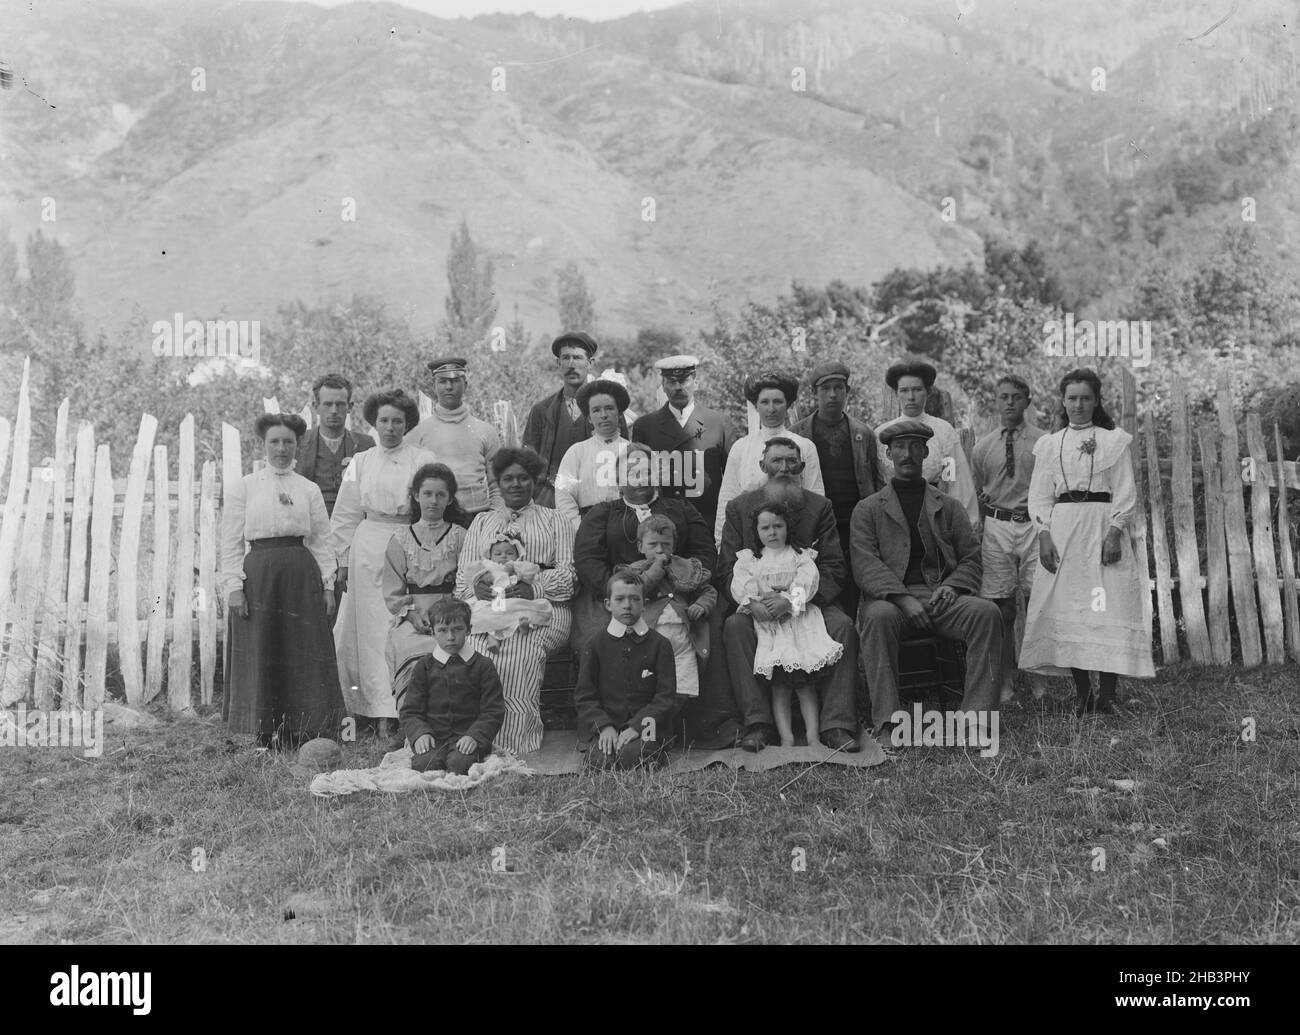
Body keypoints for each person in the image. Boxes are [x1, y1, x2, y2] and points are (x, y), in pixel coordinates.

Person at [573, 441, 738, 748]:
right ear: (619, 476)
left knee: (708, 625)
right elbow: (588, 560)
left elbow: (704, 552)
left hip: (679, 593)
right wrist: (620, 591)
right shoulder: (603, 513)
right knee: (599, 634)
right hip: (618, 595)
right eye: (631, 469)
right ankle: (617, 724)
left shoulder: (680, 509)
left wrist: (684, 581)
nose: (639, 475)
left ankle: (703, 724)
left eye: (646, 469)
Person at [852, 420, 1002, 748]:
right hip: (893, 603)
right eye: (900, 448)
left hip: (941, 599)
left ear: (925, 452)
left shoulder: (948, 506)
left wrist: (954, 586)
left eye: (914, 447)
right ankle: (890, 724)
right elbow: (865, 565)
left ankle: (974, 721)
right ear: (889, 454)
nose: (907, 454)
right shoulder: (867, 509)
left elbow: (971, 558)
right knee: (876, 617)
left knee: (986, 613)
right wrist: (903, 599)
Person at [1020, 368, 1155, 713]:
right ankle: (1083, 695)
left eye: (1085, 398)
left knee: (1108, 605)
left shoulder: (1113, 441)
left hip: (1101, 528)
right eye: (1072, 398)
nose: (1078, 404)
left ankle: (1108, 696)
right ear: (1063, 402)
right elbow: (1038, 497)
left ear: (1096, 401)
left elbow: (1125, 491)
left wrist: (1115, 532)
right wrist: (1044, 534)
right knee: (1072, 607)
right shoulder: (1050, 445)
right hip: (1063, 533)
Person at [717, 436, 860, 753]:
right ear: (762, 465)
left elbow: (835, 568)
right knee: (734, 627)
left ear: (802, 467)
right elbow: (727, 568)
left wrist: (793, 601)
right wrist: (753, 603)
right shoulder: (739, 507)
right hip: (757, 604)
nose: (783, 468)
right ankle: (758, 723)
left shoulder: (819, 507)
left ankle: (836, 723)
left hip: (810, 601)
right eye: (776, 461)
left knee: (843, 626)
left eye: (791, 461)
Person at [221, 413, 343, 746]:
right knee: (263, 647)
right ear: (263, 445)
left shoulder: (308, 489)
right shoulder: (244, 487)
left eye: (288, 442)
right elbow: (230, 541)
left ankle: (300, 728)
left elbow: (321, 540)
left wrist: (328, 586)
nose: (281, 448)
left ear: (297, 445)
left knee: (300, 648)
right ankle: (263, 730)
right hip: (259, 574)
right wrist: (234, 586)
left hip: (300, 574)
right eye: (274, 441)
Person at [328, 389, 437, 749]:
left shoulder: (422, 457)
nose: (390, 427)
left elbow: (433, 502)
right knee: (368, 631)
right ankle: (374, 713)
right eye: (384, 421)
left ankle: (402, 712)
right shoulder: (360, 461)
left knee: (399, 625)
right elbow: (344, 513)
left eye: (397, 421)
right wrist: (342, 561)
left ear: (408, 424)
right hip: (367, 547)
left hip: (407, 541)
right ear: (373, 424)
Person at [455, 446, 575, 755]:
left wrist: (533, 589)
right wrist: (476, 589)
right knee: (475, 648)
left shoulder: (555, 520)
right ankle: (473, 739)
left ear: (535, 481)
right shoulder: (482, 522)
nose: (516, 485)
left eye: (524, 478)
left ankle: (512, 743)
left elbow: (569, 577)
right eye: (508, 478)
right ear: (498, 482)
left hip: (543, 609)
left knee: (520, 649)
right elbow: (462, 581)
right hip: (489, 607)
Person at [730, 501, 844, 748]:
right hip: (770, 626)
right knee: (779, 686)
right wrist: (754, 603)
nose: (772, 533)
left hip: (798, 622)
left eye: (778, 526)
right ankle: (786, 738)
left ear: (787, 528)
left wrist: (788, 601)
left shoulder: (801, 556)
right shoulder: (750, 559)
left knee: (805, 684)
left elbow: (809, 583)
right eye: (766, 528)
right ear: (757, 532)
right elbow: (741, 585)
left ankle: (813, 736)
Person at [970, 375, 1045, 703]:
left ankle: (1040, 680)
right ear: (996, 402)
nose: (1010, 402)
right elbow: (979, 489)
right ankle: (1004, 681)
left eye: (1017, 396)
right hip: (998, 526)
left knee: (1039, 603)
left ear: (1028, 400)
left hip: (1034, 526)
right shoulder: (983, 446)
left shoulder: (1044, 443)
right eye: (1004, 397)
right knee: (1001, 608)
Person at [790, 360, 883, 617]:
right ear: (815, 393)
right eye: (826, 389)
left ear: (847, 392)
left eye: (839, 388)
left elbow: (873, 481)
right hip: (815, 526)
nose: (833, 395)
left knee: (856, 584)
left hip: (855, 525)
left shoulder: (863, 433)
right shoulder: (798, 434)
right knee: (816, 585)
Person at [382, 463, 468, 711]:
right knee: (413, 653)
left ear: (450, 499)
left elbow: (465, 583)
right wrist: (409, 615)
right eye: (427, 494)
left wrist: (452, 615)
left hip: (452, 614)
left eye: (441, 495)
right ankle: (415, 728)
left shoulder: (460, 536)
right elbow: (392, 591)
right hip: (414, 618)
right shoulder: (401, 539)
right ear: (416, 496)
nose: (433, 501)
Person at [574, 570, 676, 770]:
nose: (627, 605)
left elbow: (665, 697)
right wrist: (604, 726)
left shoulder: (660, 644)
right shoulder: (595, 644)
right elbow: (584, 696)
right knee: (600, 762)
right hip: (607, 725)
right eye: (619, 599)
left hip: (646, 726)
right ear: (608, 604)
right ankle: (605, 742)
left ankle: (646, 750)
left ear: (645, 604)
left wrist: (637, 726)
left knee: (632, 758)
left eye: (634, 599)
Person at [714, 371, 824, 546]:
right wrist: (722, 544)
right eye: (765, 402)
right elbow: (727, 499)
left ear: (787, 405)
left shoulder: (805, 446)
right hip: (749, 540)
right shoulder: (741, 448)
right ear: (756, 406)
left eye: (778, 402)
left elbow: (816, 496)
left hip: (796, 538)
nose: (771, 409)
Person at [400, 598, 506, 775]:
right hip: (434, 737)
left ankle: (465, 756)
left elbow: (493, 710)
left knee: (459, 765)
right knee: (426, 764)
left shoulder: (483, 665)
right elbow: (410, 711)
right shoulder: (424, 666)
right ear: (432, 632)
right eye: (442, 631)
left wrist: (474, 736)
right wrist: (420, 734)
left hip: (468, 737)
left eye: (457, 629)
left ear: (469, 630)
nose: (450, 637)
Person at [632, 354, 736, 533]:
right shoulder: (645, 426)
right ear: (663, 386)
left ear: (696, 382)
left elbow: (732, 479)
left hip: (708, 522)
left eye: (684, 381)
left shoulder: (719, 423)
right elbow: (639, 479)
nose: (678, 387)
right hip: (662, 525)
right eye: (671, 382)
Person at [522, 332, 628, 507]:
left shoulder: (610, 409)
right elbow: (528, 461)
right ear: (558, 363)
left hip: (598, 500)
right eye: (566, 358)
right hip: (551, 500)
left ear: (590, 363)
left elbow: (624, 457)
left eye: (578, 358)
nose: (571, 365)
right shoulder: (541, 411)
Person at [876, 360, 979, 528]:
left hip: (933, 515)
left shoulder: (943, 432)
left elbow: (953, 480)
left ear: (927, 392)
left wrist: (963, 525)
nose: (911, 397)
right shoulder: (882, 434)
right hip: (891, 517)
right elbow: (876, 482)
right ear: (896, 394)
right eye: (904, 390)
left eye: (917, 389)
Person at [623, 515, 716, 699]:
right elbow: (634, 593)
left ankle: (678, 720)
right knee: (650, 686)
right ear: (641, 547)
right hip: (650, 635)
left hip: (684, 635)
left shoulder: (687, 566)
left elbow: (708, 591)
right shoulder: (634, 570)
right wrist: (656, 570)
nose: (660, 549)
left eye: (665, 544)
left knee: (683, 685)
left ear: (673, 545)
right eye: (653, 544)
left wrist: (701, 604)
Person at [406, 357, 502, 526]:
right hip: (435, 518)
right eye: (443, 381)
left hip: (478, 517)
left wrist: (495, 518)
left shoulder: (486, 431)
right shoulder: (417, 433)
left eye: (455, 381)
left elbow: (497, 483)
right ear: (433, 386)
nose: (449, 387)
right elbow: (409, 485)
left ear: (466, 384)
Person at [554, 378, 631, 533]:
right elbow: (564, 497)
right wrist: (581, 529)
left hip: (627, 527)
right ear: (589, 417)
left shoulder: (634, 451)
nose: (603, 415)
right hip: (588, 527)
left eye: (609, 408)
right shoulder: (576, 452)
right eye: (596, 410)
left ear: (620, 413)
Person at [296, 373, 375, 517]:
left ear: (350, 407)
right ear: (316, 407)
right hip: (310, 521)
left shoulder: (366, 444)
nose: (334, 411)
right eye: (327, 404)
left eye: (340, 404)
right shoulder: (299, 443)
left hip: (352, 522)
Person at [462, 530, 555, 650]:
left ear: (517, 555)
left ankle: (523, 626)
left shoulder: (519, 566)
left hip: (513, 598)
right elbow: (471, 576)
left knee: (518, 610)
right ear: (490, 556)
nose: (504, 556)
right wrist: (483, 578)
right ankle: (493, 641)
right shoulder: (487, 567)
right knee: (487, 615)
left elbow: (532, 574)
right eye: (498, 554)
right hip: (493, 599)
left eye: (510, 553)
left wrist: (517, 571)